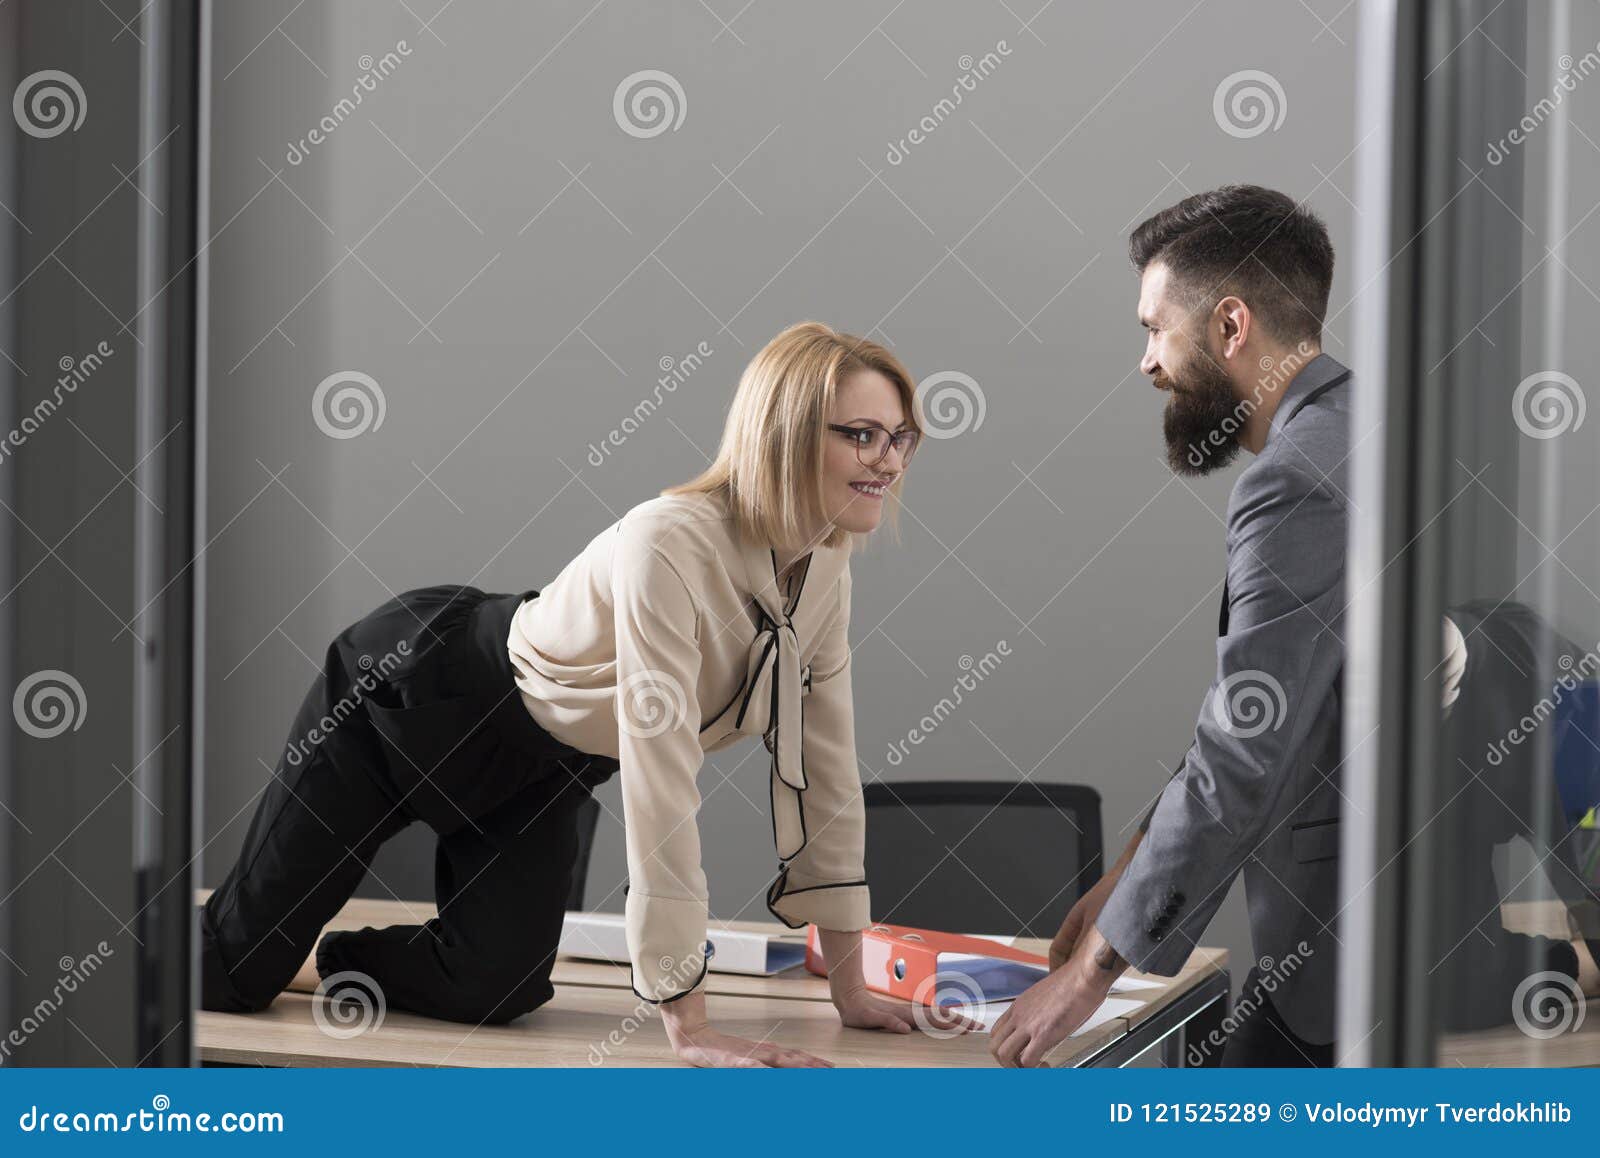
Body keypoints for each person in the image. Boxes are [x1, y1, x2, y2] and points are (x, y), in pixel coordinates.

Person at [201, 321, 969, 1067]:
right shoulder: (667, 542)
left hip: (545, 763)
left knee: (495, 988)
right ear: (786, 433)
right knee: (232, 977)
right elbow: (663, 783)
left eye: (901, 438)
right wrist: (688, 1024)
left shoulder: (825, 568)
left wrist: (851, 990)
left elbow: (824, 773)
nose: (889, 461)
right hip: (410, 704)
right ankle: (161, 938)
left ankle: (317, 957)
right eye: (861, 434)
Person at [991, 185, 1352, 1067]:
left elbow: (1245, 749)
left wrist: (1093, 972)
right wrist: (1128, 875)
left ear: (1231, 326)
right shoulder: (1369, 431)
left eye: (1156, 329)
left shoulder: (1296, 482)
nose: (1147, 363)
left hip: (1351, 970)